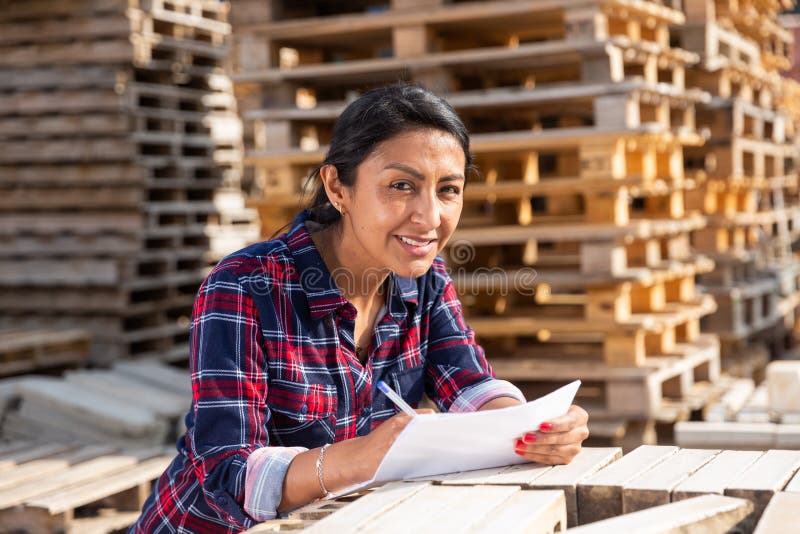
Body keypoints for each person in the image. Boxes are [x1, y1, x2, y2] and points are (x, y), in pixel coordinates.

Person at [131, 84, 589, 533]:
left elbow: (466, 382)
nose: (430, 218)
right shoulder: (245, 286)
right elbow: (227, 477)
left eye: (448, 189)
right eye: (401, 185)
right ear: (338, 188)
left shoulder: (424, 277)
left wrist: (530, 426)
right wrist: (367, 456)